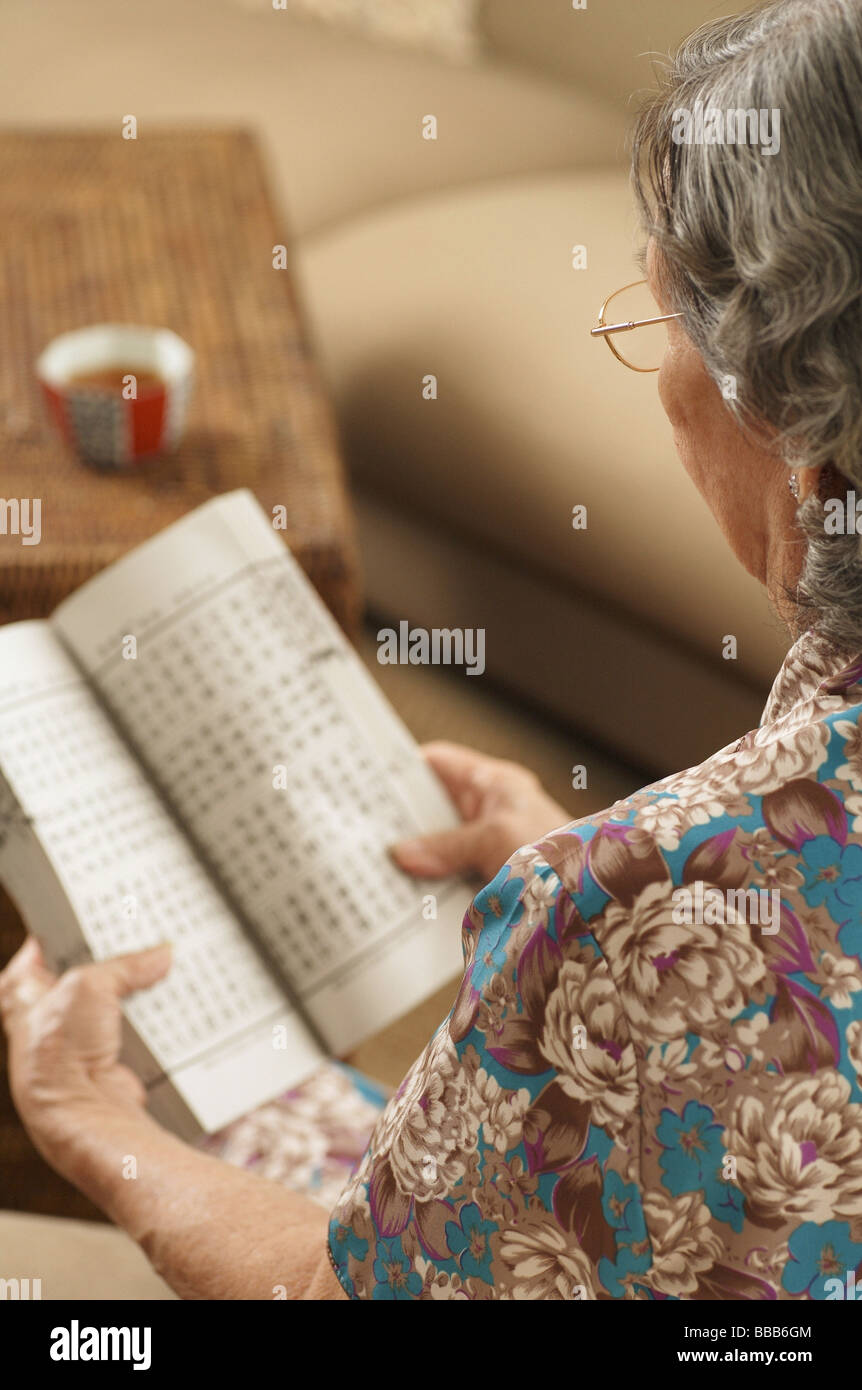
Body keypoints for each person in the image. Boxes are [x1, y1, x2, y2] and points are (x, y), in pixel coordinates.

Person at [4, 0, 862, 1300]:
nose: (658, 381)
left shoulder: (622, 899)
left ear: (797, 426)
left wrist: (94, 1125)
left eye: (656, 324)